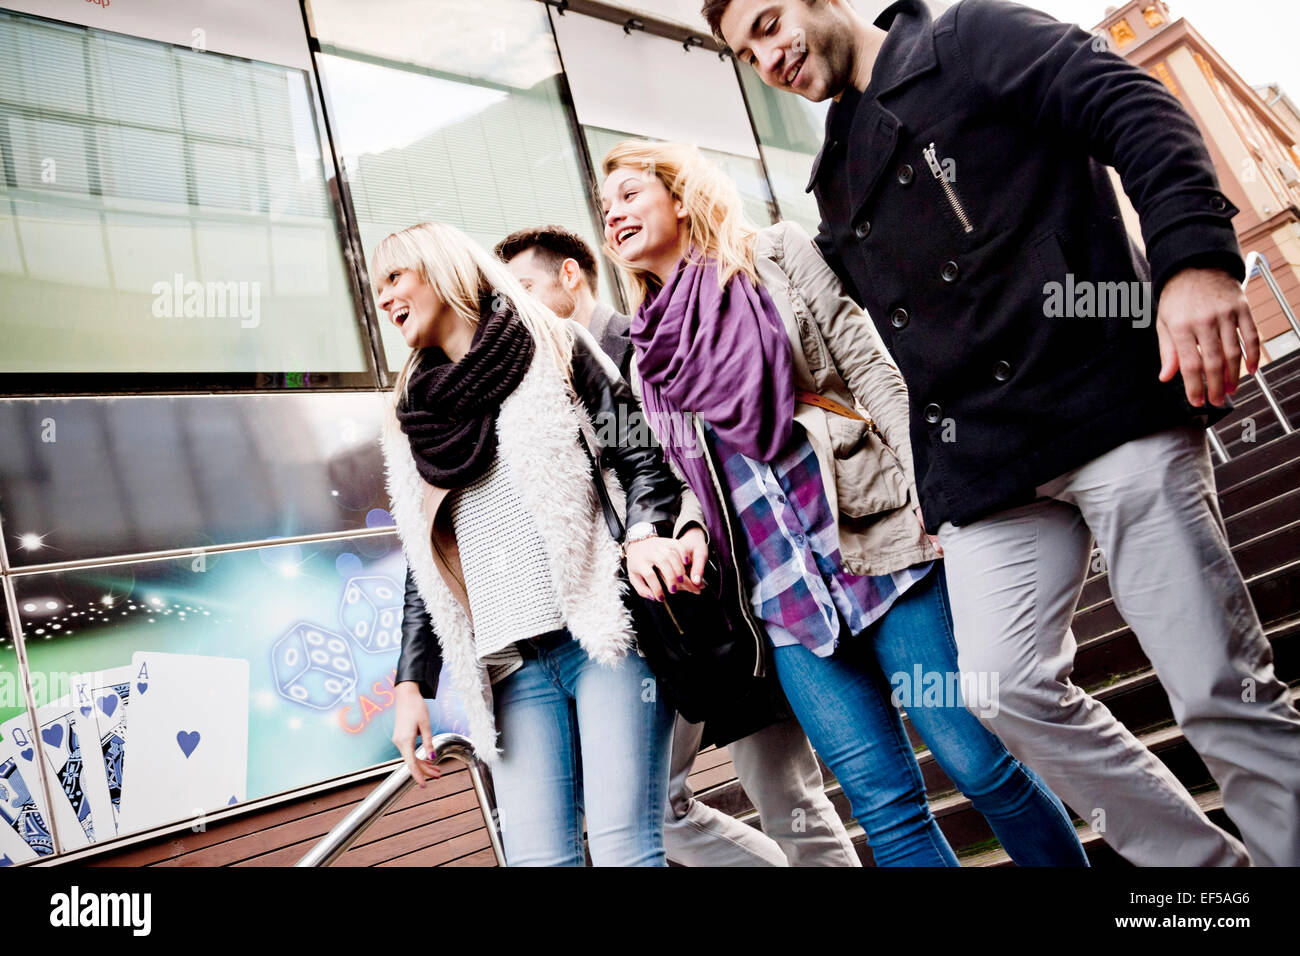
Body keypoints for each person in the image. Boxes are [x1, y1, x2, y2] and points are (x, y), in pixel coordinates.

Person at [707, 0, 1300, 866]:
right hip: (987, 463)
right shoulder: (833, 173)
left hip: (1103, 401)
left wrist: (1194, 262)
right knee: (1001, 684)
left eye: (768, 23)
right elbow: (884, 349)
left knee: (1217, 687)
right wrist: (934, 493)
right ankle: (1205, 876)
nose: (769, 58)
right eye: (746, 55)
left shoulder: (970, 39)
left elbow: (1135, 108)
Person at [601, 138, 1089, 866]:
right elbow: (691, 472)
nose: (614, 216)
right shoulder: (648, 351)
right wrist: (694, 528)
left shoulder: (774, 254)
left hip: (880, 540)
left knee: (979, 760)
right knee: (884, 807)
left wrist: (934, 486)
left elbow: (870, 370)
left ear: (679, 193)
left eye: (631, 195)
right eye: (605, 207)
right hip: (779, 593)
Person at [494, 224, 859, 867]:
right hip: (645, 624)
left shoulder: (645, 345)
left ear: (570, 276)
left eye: (523, 288)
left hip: (728, 601)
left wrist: (668, 530)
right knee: (658, 805)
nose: (511, 307)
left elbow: (687, 462)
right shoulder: (543, 380)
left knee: (784, 793)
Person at [379, 221, 683, 866]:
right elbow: (422, 557)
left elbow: (642, 454)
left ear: (441, 269)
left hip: (601, 638)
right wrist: (411, 684)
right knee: (540, 861)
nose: (384, 299)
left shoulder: (558, 343)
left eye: (394, 277)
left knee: (625, 847)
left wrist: (644, 533)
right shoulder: (412, 414)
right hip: (511, 667)